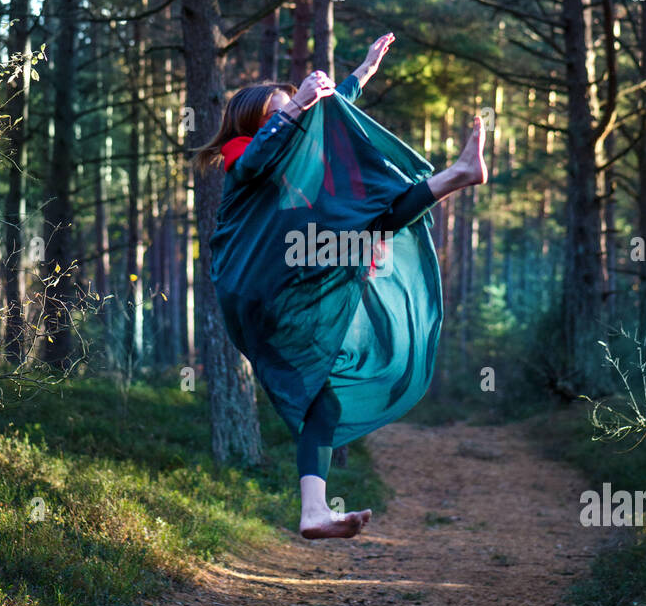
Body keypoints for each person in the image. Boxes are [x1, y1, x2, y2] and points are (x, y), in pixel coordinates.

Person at [197, 34, 488, 541]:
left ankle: (313, 511)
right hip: (255, 281)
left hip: (290, 277)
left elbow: (328, 118)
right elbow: (254, 161)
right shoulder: (241, 151)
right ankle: (456, 175)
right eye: (281, 112)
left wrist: (362, 74)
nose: (297, 116)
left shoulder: (294, 144)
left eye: (295, 110)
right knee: (359, 221)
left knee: (323, 403)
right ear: (254, 122)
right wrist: (298, 107)